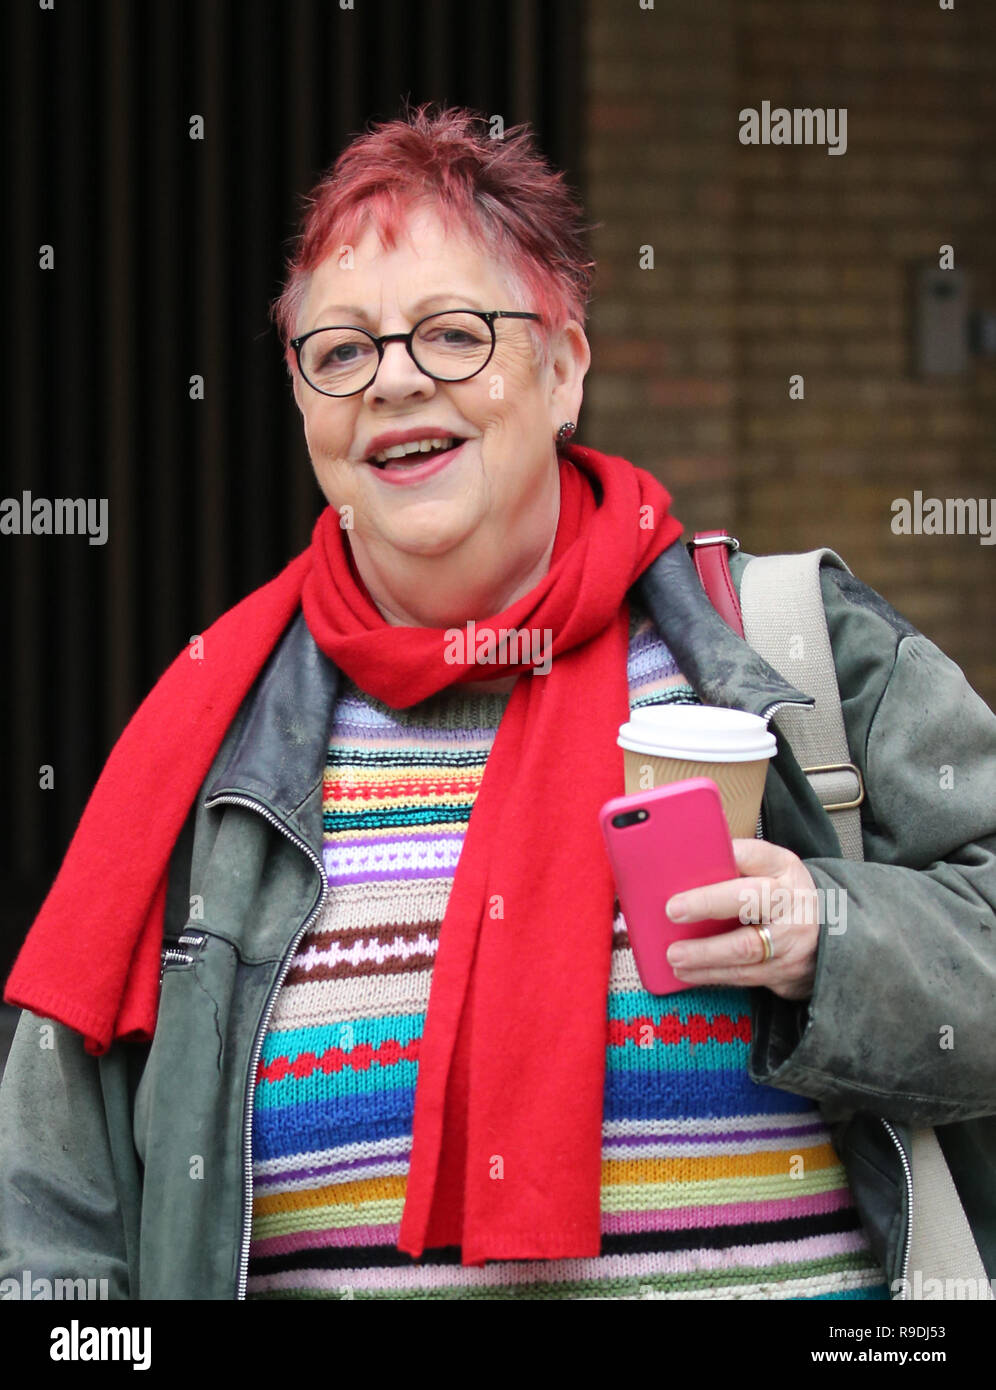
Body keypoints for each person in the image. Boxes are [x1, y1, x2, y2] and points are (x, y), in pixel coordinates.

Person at [1, 103, 994, 1303]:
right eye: (343, 352)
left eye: (454, 334)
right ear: (305, 403)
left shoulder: (791, 651)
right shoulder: (203, 741)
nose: (397, 381)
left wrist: (822, 926)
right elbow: (54, 1226)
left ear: (565, 366)